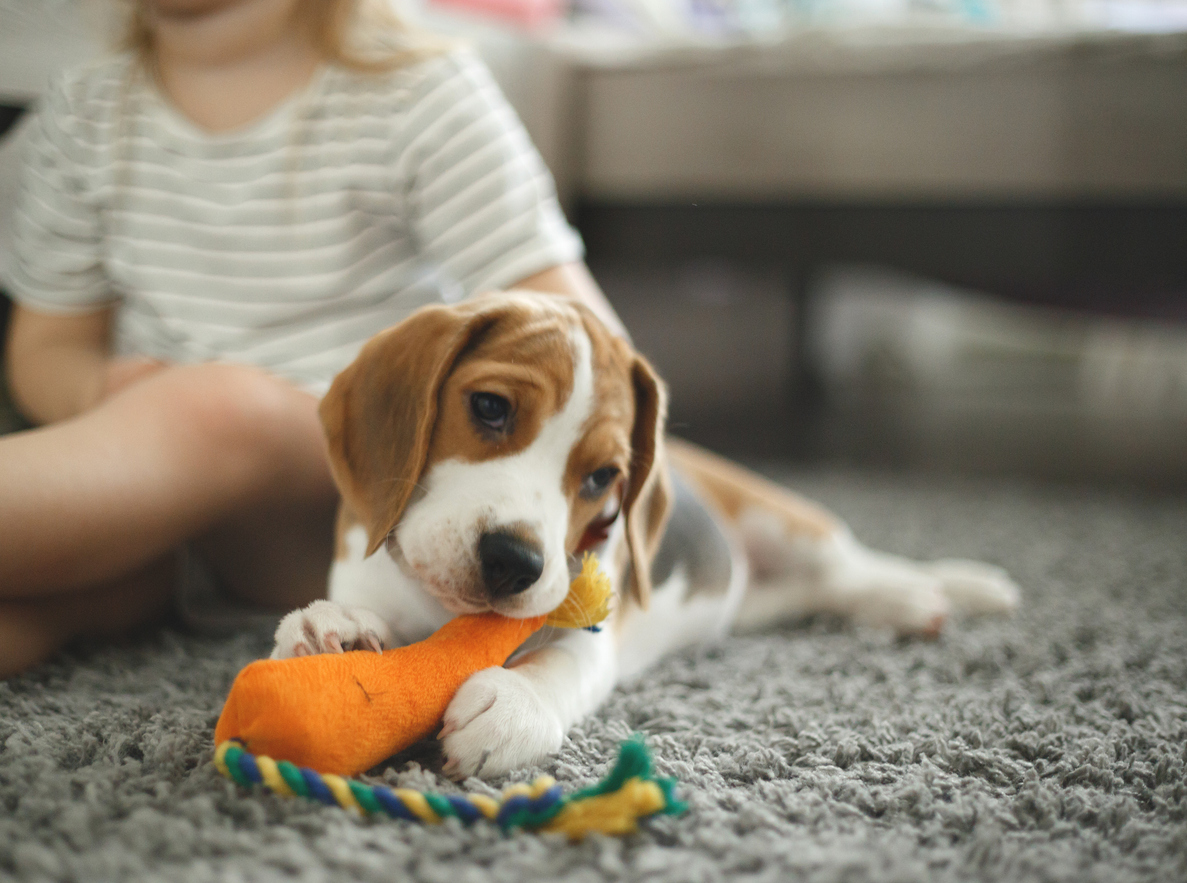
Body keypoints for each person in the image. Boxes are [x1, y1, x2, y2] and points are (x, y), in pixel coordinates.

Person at [0, 0, 625, 677]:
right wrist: (97, 386)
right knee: (41, 604)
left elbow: (583, 342)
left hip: (349, 498)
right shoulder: (84, 111)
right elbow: (46, 347)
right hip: (163, 515)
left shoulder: (415, 88)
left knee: (214, 407)